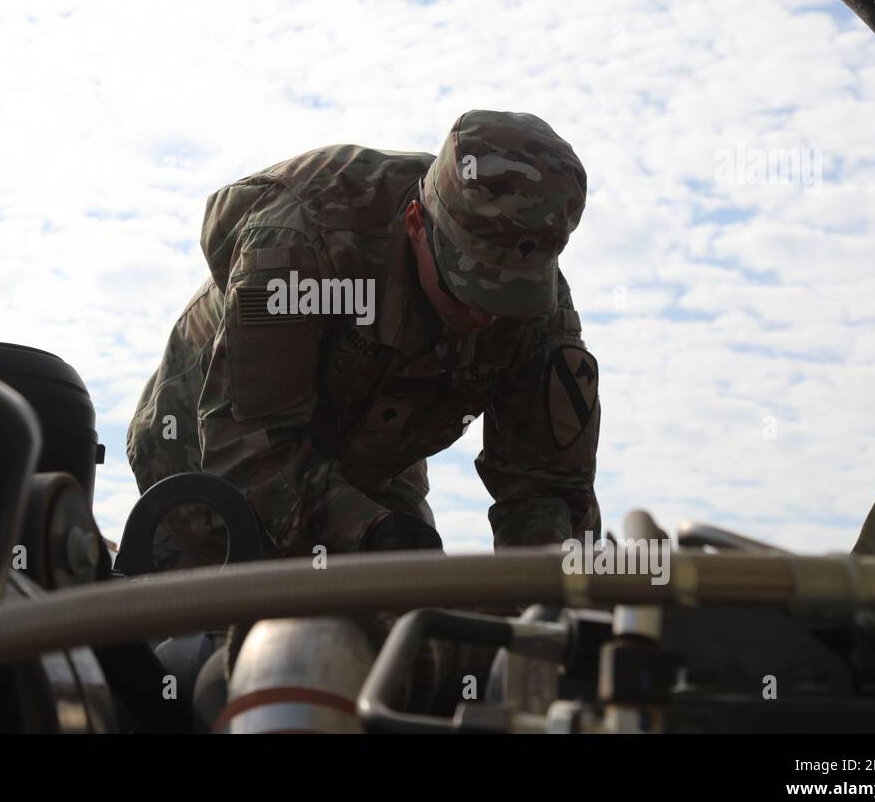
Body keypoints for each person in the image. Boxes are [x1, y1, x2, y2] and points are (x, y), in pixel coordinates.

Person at [126, 109, 600, 557]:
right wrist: (370, 532)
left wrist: (550, 601)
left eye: (508, 300)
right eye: (466, 287)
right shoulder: (299, 242)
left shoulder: (537, 302)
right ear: (417, 224)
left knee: (414, 619)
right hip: (204, 454)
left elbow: (546, 487)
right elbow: (248, 448)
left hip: (372, 465)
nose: (486, 316)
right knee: (242, 628)